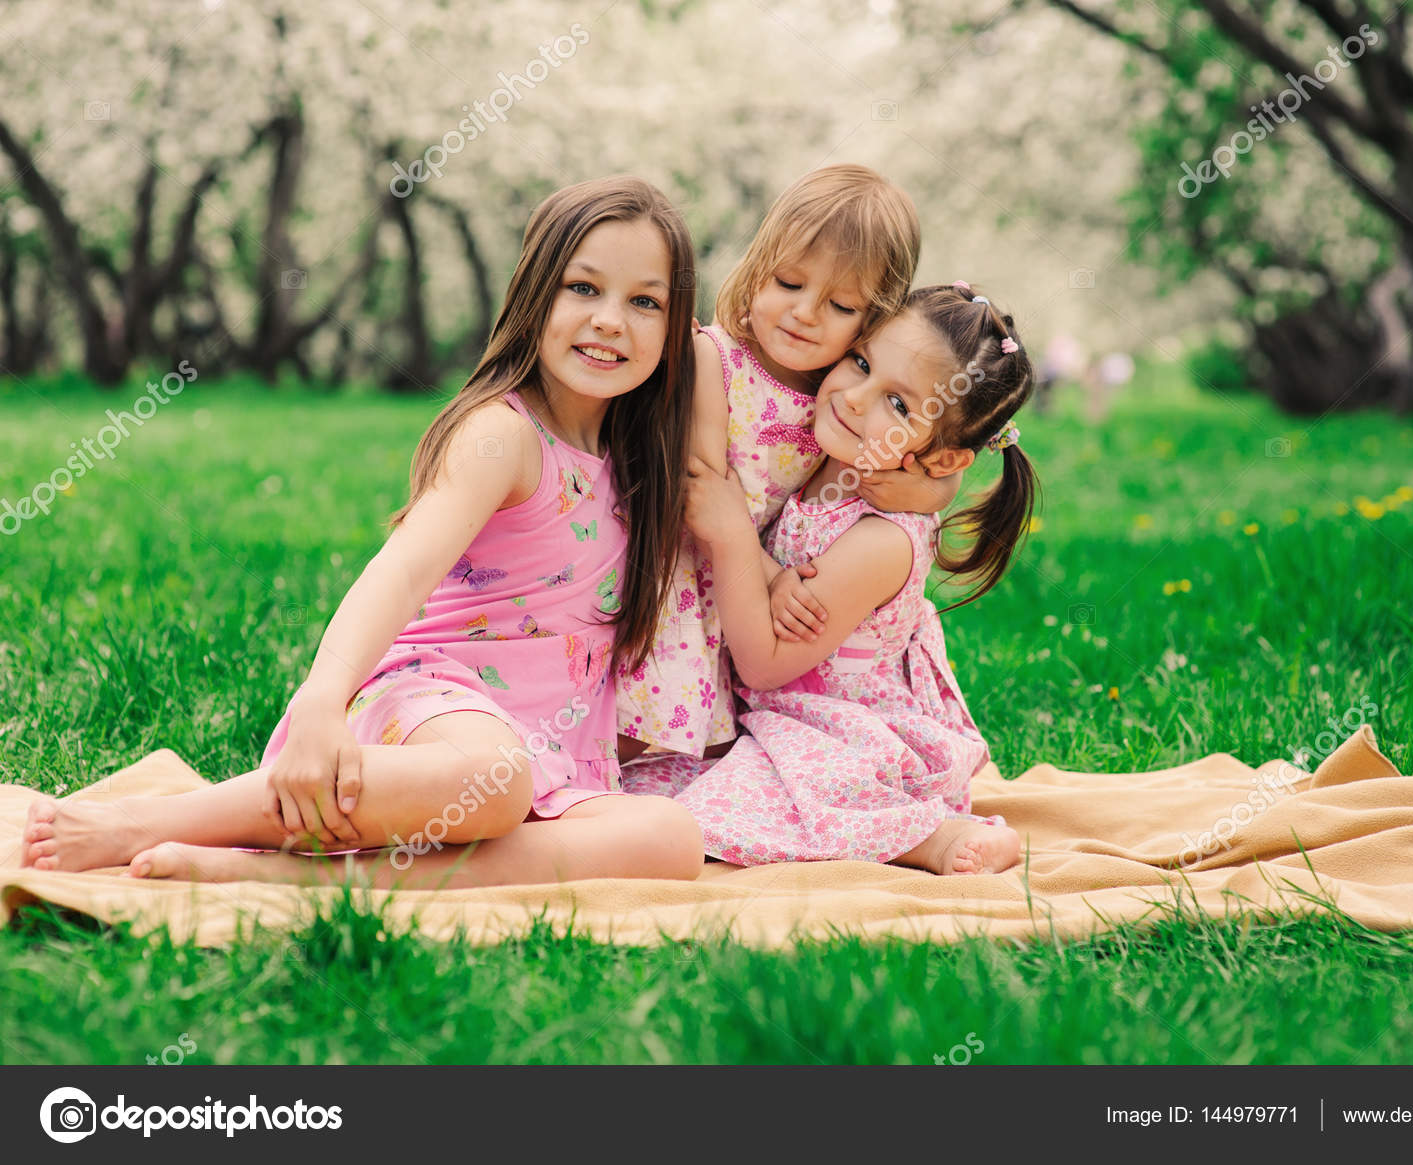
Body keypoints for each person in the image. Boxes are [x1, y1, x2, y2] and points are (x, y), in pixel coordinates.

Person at [20, 176, 706, 887]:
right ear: (535, 292)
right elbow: (402, 570)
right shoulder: (503, 435)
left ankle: (297, 881)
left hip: (554, 753)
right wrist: (322, 696)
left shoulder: (639, 458)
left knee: (670, 839)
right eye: (583, 288)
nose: (610, 321)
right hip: (435, 707)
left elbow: (738, 365)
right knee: (495, 780)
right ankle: (151, 822)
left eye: (645, 301)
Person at [623, 283, 1037, 875]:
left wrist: (730, 531)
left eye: (897, 404)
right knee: (640, 793)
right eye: (862, 362)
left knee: (704, 820)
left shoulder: (879, 540)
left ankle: (932, 837)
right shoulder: (839, 454)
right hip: (767, 721)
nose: (852, 397)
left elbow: (767, 664)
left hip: (841, 735)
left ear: (943, 457)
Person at [615, 162, 960, 764]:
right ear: (758, 270)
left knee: (711, 751)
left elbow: (930, 477)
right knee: (625, 722)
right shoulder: (713, 359)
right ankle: (579, 789)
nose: (804, 313)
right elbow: (699, 488)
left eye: (840, 305)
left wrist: (933, 490)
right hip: (680, 572)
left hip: (738, 594)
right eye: (789, 283)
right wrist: (772, 576)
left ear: (871, 322)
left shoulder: (842, 394)